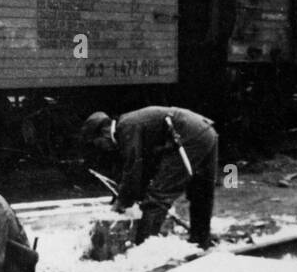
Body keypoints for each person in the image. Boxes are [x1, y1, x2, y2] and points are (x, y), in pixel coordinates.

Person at [80, 106, 219, 248]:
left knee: (157, 197)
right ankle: (202, 240)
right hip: (206, 131)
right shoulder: (129, 124)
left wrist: (121, 203)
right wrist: (126, 197)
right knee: (201, 192)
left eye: (96, 143)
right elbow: (144, 168)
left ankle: (143, 248)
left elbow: (133, 170)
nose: (100, 148)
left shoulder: (126, 127)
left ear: (104, 132)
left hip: (188, 136)